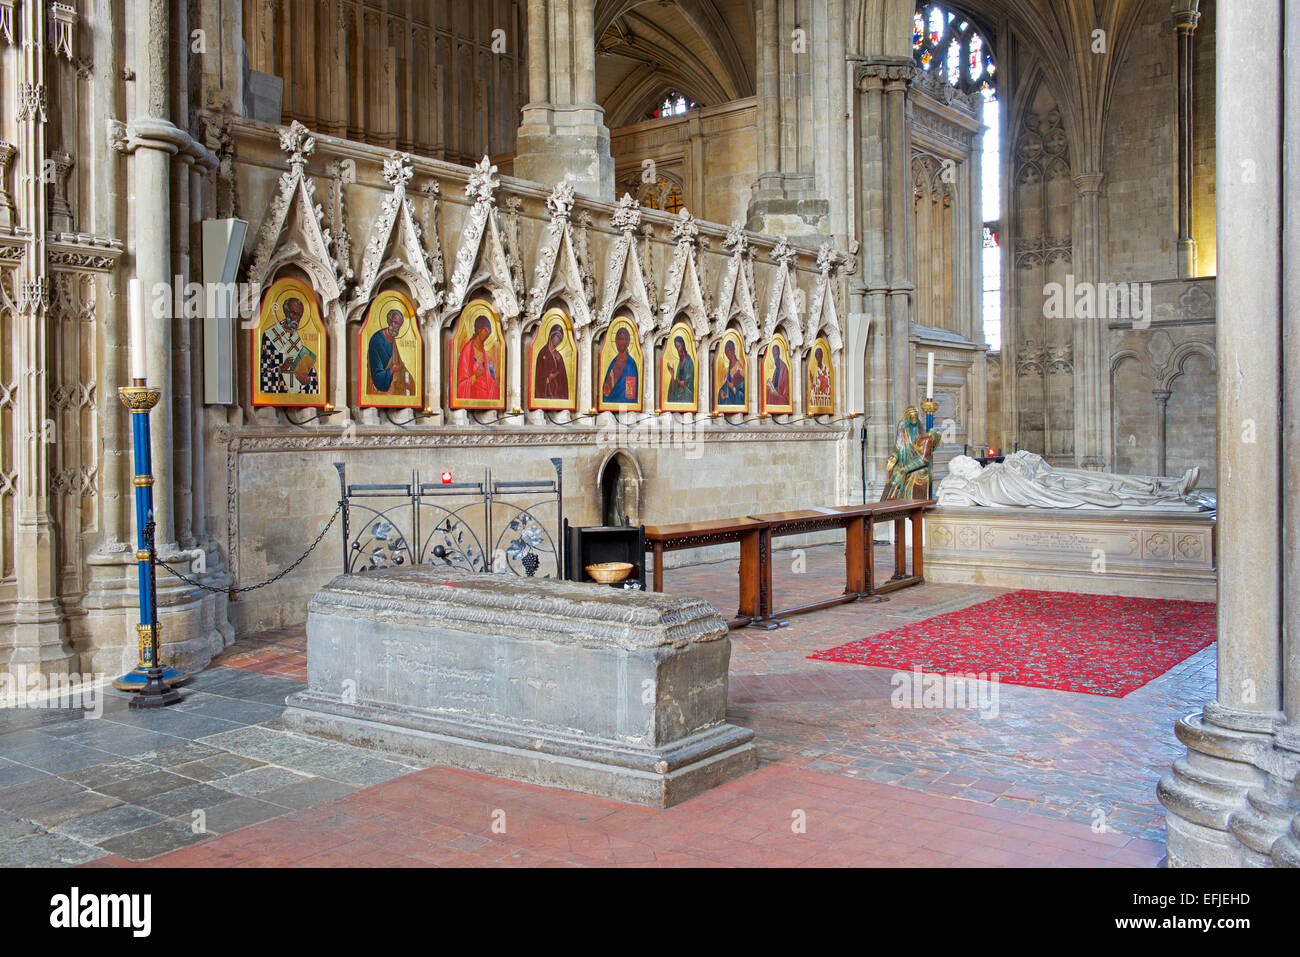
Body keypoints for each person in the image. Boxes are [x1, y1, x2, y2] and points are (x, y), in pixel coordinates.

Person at [260, 296, 317, 395]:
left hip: (298, 397)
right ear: (286, 312)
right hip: (278, 392)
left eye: (299, 315)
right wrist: (281, 369)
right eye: (294, 313)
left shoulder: (297, 338)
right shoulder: (270, 335)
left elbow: (311, 375)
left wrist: (307, 381)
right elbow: (263, 372)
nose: (297, 319)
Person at [882, 407, 941, 500]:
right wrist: (894, 456)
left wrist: (906, 469)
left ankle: (903, 501)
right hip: (905, 460)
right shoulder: (903, 427)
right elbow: (898, 446)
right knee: (896, 472)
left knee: (918, 473)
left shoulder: (926, 439)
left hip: (916, 465)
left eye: (916, 417)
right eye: (912, 417)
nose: (914, 420)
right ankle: (890, 501)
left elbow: (924, 460)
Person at [367, 307, 414, 396]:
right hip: (379, 388)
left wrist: (408, 381)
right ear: (389, 321)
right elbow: (376, 373)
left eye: (399, 325)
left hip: (393, 383)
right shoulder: (376, 340)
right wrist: (392, 370)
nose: (397, 327)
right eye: (395, 323)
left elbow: (401, 363)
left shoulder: (395, 341)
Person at [456, 313, 498, 401]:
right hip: (472, 394)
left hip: (484, 396)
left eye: (489, 333)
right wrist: (476, 376)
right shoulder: (467, 350)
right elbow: (462, 382)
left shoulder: (483, 352)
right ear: (478, 329)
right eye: (485, 330)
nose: (487, 335)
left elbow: (488, 378)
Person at [601, 326, 638, 404]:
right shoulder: (613, 362)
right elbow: (606, 387)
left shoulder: (630, 364)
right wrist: (606, 387)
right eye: (618, 339)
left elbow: (630, 394)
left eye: (622, 339)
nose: (620, 342)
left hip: (625, 404)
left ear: (627, 342)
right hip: (610, 403)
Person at [533, 324, 569, 401]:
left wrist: (559, 361)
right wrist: (547, 377)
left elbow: (563, 376)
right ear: (551, 336)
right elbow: (538, 373)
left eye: (560, 338)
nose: (558, 340)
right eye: (557, 337)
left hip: (556, 391)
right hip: (545, 390)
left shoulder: (558, 355)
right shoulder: (543, 352)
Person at [666, 334, 694, 404]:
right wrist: (672, 375)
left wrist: (683, 385)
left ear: (683, 345)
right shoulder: (680, 361)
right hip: (678, 396)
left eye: (678, 346)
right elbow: (676, 385)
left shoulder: (689, 361)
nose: (678, 350)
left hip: (686, 398)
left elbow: (690, 384)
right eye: (676, 347)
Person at [716, 339, 745, 407]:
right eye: (726, 353)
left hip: (736, 397)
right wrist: (722, 391)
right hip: (729, 395)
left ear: (732, 350)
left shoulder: (739, 367)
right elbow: (727, 383)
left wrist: (734, 388)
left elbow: (742, 387)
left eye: (728, 352)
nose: (727, 355)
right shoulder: (729, 366)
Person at [765, 341, 789, 407]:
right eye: (773, 355)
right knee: (767, 390)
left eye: (776, 355)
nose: (775, 358)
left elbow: (786, 388)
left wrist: (778, 394)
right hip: (775, 393)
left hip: (781, 396)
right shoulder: (777, 368)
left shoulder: (784, 367)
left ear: (779, 353)